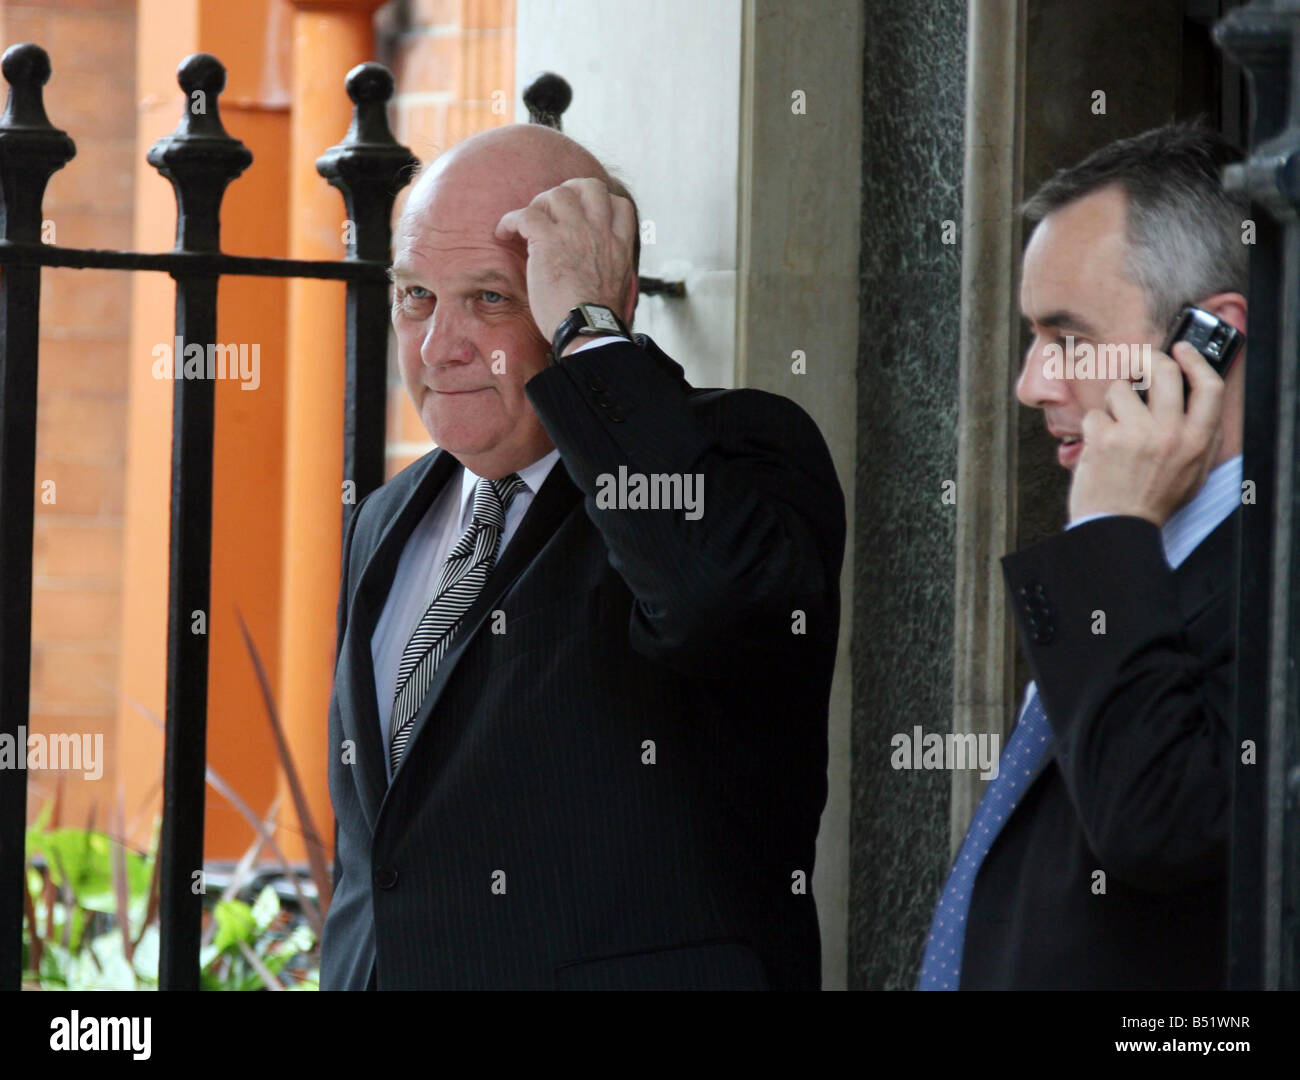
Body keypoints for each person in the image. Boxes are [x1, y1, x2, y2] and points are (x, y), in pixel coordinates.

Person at [318, 122, 845, 990]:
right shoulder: (387, 516)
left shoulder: (743, 452)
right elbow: (386, 860)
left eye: (492, 297)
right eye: (416, 295)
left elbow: (711, 601)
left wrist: (593, 340)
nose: (438, 344)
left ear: (602, 299)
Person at [920, 123, 1247, 990]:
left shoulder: (1259, 568)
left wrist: (1110, 531)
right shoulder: (1143, 546)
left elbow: (1161, 823)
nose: (1033, 384)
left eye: (1068, 339)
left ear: (1207, 337)